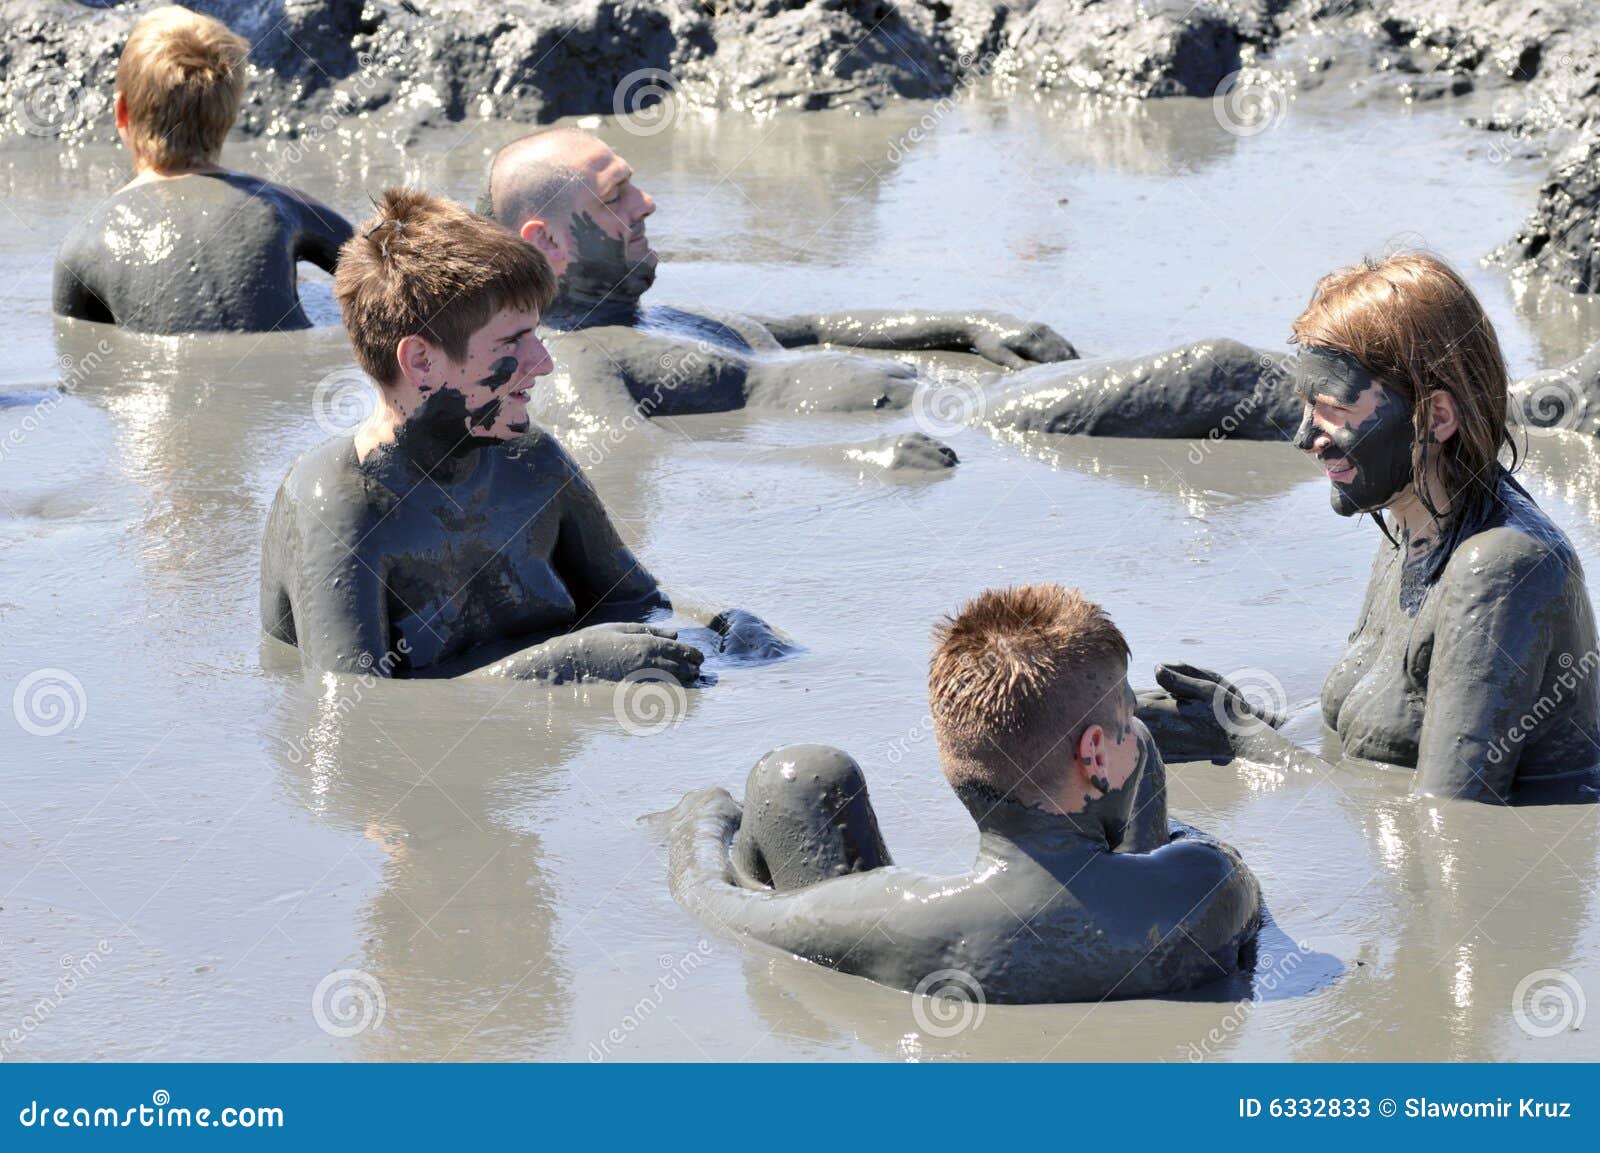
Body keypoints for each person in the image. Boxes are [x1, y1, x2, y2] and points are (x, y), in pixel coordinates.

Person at [1138, 253, 1600, 804]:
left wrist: (1250, 745)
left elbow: (1448, 821)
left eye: (1332, 408)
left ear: (1436, 418)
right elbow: (1374, 744)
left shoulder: (1499, 568)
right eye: (1305, 406)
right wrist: (1237, 719)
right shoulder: (1410, 517)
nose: (1305, 437)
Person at [260, 187, 774, 681]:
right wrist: (560, 665)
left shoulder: (532, 459)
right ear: (422, 361)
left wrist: (719, 628)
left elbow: (635, 602)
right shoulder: (339, 508)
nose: (544, 363)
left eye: (538, 335)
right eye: (514, 342)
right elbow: (354, 704)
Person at [669, 584, 1262, 1004]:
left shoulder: (883, 911)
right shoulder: (1202, 884)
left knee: (795, 777)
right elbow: (1182, 862)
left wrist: (701, 821)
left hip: (897, 946)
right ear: (1094, 757)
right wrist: (1143, 761)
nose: (1140, 728)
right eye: (1130, 716)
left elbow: (715, 903)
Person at [477, 128, 1076, 428]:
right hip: (984, 423)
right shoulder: (572, 363)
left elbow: (818, 326)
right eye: (617, 196)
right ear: (548, 241)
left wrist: (969, 324)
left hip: (970, 408)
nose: (648, 203)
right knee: (1173, 381)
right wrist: (852, 462)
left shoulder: (652, 320)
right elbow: (619, 457)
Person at [52, 5, 352, 334]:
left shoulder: (84, 243)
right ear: (232, 116)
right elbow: (391, 275)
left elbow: (84, 364)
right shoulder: (281, 208)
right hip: (278, 377)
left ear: (121, 111)